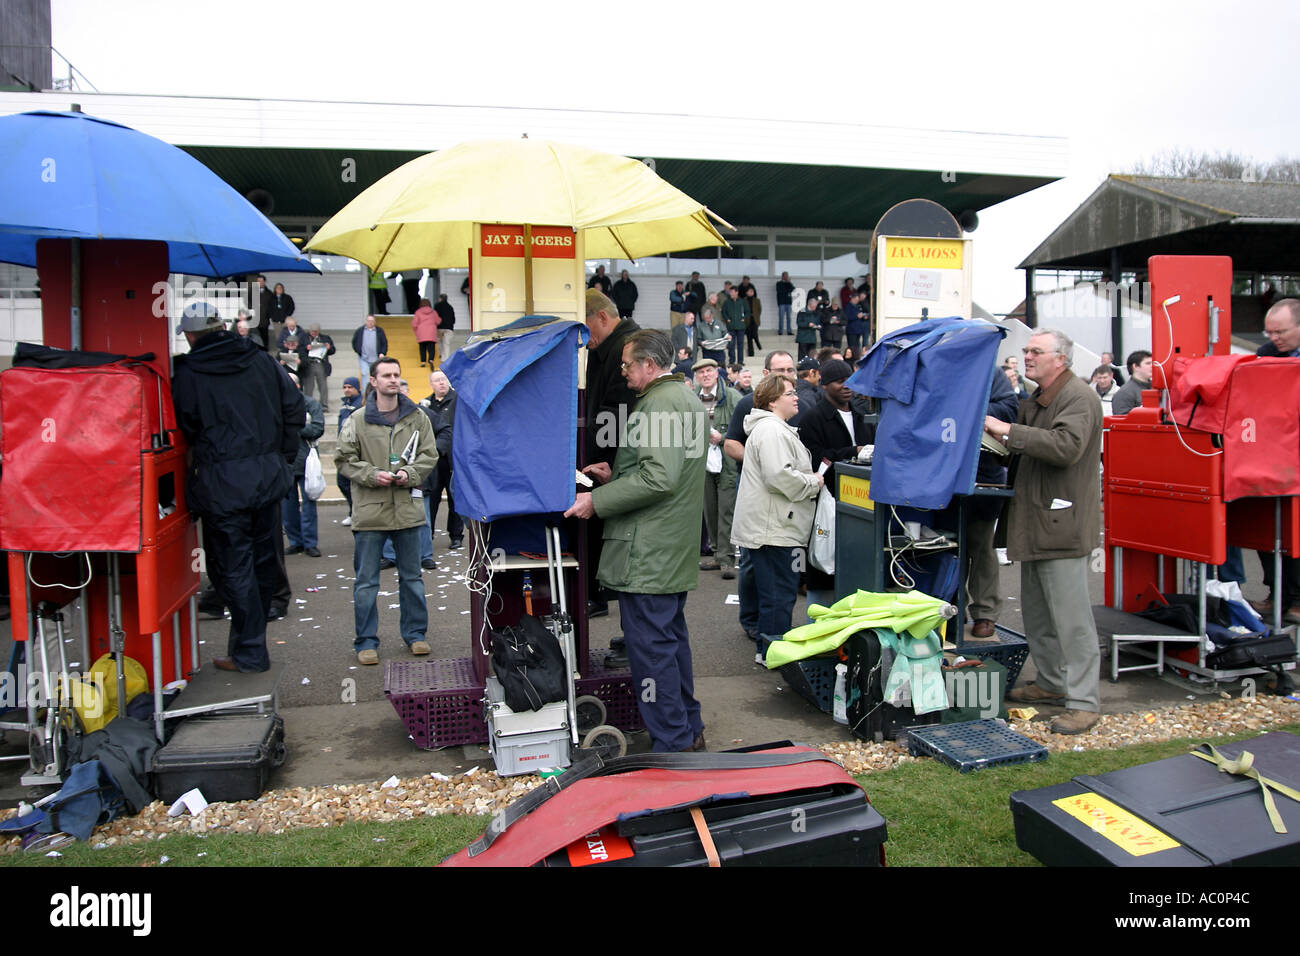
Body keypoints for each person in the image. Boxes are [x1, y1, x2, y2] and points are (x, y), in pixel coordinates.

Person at [565, 330, 707, 753]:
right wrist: (618, 475)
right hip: (670, 547)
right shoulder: (685, 399)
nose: (623, 372)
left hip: (648, 551)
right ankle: (687, 730)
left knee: (652, 652)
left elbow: (658, 479)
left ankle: (673, 745)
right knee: (670, 643)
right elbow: (671, 472)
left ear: (649, 365)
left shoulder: (658, 403)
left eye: (627, 365)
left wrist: (597, 499)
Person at [171, 302, 304, 673]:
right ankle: (248, 648)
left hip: (221, 486)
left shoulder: (189, 373)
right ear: (224, 327)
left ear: (190, 335)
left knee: (231, 567)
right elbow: (294, 408)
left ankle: (249, 652)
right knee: (262, 565)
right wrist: (281, 459)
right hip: (265, 479)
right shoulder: (260, 360)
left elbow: (183, 427)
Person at [984, 328, 1102, 735]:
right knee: (1038, 613)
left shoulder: (1078, 397)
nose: (1027, 356)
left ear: (1061, 359)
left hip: (1060, 526)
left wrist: (1008, 431)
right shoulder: (1040, 398)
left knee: (1071, 620)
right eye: (1026, 349)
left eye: (1036, 351)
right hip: (1037, 524)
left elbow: (1066, 446)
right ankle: (1052, 683)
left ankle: (1085, 702)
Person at [335, 357, 438, 665]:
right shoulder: (357, 419)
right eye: (386, 375)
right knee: (366, 582)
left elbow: (429, 453)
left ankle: (416, 636)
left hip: (407, 510)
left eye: (397, 374)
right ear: (374, 381)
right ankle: (366, 641)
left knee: (412, 578)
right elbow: (344, 458)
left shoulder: (417, 417)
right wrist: (371, 474)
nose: (393, 379)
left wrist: (412, 473)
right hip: (370, 512)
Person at [734, 374, 823, 661]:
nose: (796, 396)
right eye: (789, 393)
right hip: (773, 528)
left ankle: (769, 651)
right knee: (778, 597)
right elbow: (779, 476)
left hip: (773, 526)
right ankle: (773, 655)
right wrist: (813, 482)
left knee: (776, 595)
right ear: (773, 401)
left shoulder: (771, 428)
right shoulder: (772, 430)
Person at [723, 350, 798, 645]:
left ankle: (770, 631)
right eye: (780, 370)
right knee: (757, 564)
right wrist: (761, 463)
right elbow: (731, 444)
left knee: (782, 571)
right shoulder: (748, 404)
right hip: (761, 495)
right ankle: (753, 621)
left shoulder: (795, 403)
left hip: (789, 499)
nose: (787, 374)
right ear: (766, 374)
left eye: (791, 369)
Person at [583, 288, 641, 626]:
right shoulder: (606, 348)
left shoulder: (625, 346)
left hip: (614, 465)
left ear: (602, 317)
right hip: (608, 462)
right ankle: (600, 595)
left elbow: (615, 414)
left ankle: (607, 602)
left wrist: (597, 456)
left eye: (584, 325)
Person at [1250, 299, 1300, 620]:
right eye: (1270, 332)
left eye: (1281, 331)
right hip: (1273, 453)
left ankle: (1296, 598)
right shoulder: (1265, 354)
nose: (1275, 338)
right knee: (1268, 528)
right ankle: (1276, 592)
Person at [693, 358, 739, 580]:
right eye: (701, 372)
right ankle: (716, 553)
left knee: (726, 510)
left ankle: (727, 558)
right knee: (709, 510)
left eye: (709, 370)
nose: (705, 375)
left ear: (716, 372)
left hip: (727, 461)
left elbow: (744, 427)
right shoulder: (692, 398)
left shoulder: (731, 396)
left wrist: (723, 438)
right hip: (703, 461)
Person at [282, 371, 325, 558]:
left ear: (298, 385)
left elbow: (317, 428)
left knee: (309, 504)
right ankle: (295, 542)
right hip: (285, 462)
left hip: (307, 460)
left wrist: (294, 427)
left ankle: (310, 543)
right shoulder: (276, 404)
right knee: (287, 506)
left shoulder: (311, 404)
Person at [421, 369, 464, 551]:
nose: (441, 383)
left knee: (455, 498)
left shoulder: (458, 401)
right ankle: (427, 535)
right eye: (437, 380)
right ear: (431, 384)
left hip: (454, 457)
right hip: (433, 460)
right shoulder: (426, 404)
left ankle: (456, 536)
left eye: (444, 379)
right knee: (431, 498)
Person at [337, 376, 363, 526]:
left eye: (350, 387)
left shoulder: (359, 405)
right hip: (343, 447)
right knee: (342, 481)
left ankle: (355, 512)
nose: (347, 390)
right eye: (345, 387)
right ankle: (353, 510)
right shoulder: (343, 405)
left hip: (354, 449)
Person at [302, 324, 335, 412]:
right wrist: (306, 348)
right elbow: (299, 349)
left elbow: (333, 350)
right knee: (309, 386)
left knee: (323, 385)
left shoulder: (325, 338)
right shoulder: (304, 338)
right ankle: (308, 405)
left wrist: (329, 348)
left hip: (320, 363)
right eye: (312, 331)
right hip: (309, 363)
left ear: (319, 331)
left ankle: (324, 405)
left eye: (316, 332)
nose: (314, 333)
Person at [1109, 349, 1152, 416]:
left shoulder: (1157, 388)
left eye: (1153, 363)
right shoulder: (1124, 393)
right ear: (1135, 366)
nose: (1152, 366)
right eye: (1148, 363)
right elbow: (1121, 421)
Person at [352, 314, 389, 382]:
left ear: (375, 322)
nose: (370, 322)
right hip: (363, 358)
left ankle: (374, 391)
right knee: (365, 374)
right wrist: (358, 351)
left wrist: (382, 353)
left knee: (375, 375)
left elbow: (384, 343)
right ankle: (365, 392)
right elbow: (354, 342)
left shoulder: (379, 331)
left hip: (376, 358)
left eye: (372, 321)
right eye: (369, 321)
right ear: (366, 321)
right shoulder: (359, 331)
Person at [721, 286, 749, 366]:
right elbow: (723, 312)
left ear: (737, 292)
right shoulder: (727, 302)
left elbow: (748, 311)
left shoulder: (742, 301)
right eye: (730, 292)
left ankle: (740, 362)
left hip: (740, 326)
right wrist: (727, 319)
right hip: (731, 326)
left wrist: (744, 318)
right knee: (731, 345)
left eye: (732, 292)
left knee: (740, 345)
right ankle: (731, 361)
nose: (731, 294)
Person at [411, 297, 439, 367]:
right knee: (431, 348)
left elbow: (414, 323)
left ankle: (423, 362)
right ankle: (431, 360)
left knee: (422, 348)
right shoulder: (433, 312)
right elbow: (438, 321)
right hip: (431, 332)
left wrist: (416, 331)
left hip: (421, 332)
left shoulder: (418, 312)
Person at [434, 293, 457, 361]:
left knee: (439, 341)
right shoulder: (450, 307)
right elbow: (453, 319)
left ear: (440, 299)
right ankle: (445, 359)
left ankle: (441, 354)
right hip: (449, 328)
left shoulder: (437, 306)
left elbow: (435, 316)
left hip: (439, 327)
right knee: (446, 343)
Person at [775, 271, 795, 336]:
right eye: (785, 276)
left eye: (787, 276)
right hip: (781, 303)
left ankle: (789, 331)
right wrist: (787, 289)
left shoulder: (789, 283)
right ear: (782, 276)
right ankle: (780, 331)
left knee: (789, 317)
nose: (786, 277)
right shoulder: (778, 283)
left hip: (788, 303)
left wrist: (789, 283)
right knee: (781, 317)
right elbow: (780, 291)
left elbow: (793, 289)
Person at [745, 286, 763, 357]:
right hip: (747, 321)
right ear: (746, 292)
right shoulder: (744, 300)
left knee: (755, 334)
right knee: (749, 337)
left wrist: (756, 316)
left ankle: (758, 344)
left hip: (754, 320)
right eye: (749, 291)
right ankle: (751, 353)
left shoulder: (757, 300)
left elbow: (759, 309)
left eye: (752, 291)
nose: (751, 293)